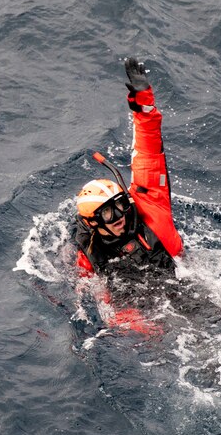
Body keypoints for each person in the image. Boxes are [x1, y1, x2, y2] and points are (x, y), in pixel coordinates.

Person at [72, 58, 184, 276]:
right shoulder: (90, 253)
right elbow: (85, 288)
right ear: (93, 222)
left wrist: (143, 101)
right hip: (133, 300)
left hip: (185, 280)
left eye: (120, 204)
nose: (119, 216)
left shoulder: (149, 201)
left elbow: (148, 149)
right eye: (107, 213)